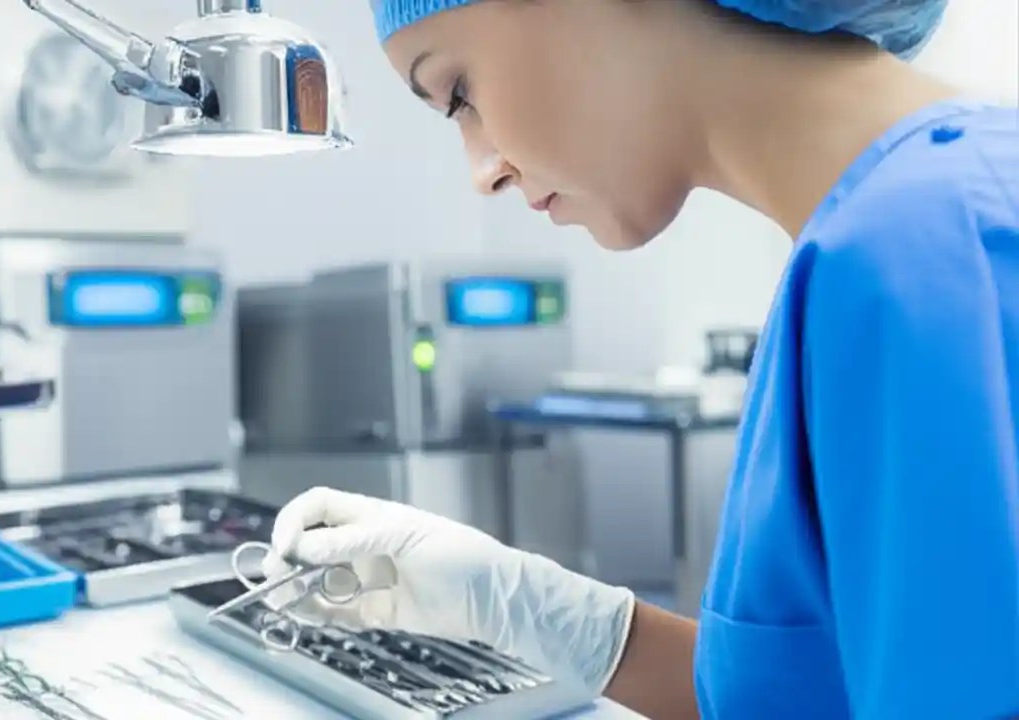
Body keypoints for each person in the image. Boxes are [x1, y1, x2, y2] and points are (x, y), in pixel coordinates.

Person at [261, 1, 1019, 719]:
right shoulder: (883, 239)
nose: (481, 171)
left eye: (458, 90)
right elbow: (818, 692)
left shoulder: (922, 252)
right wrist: (534, 609)